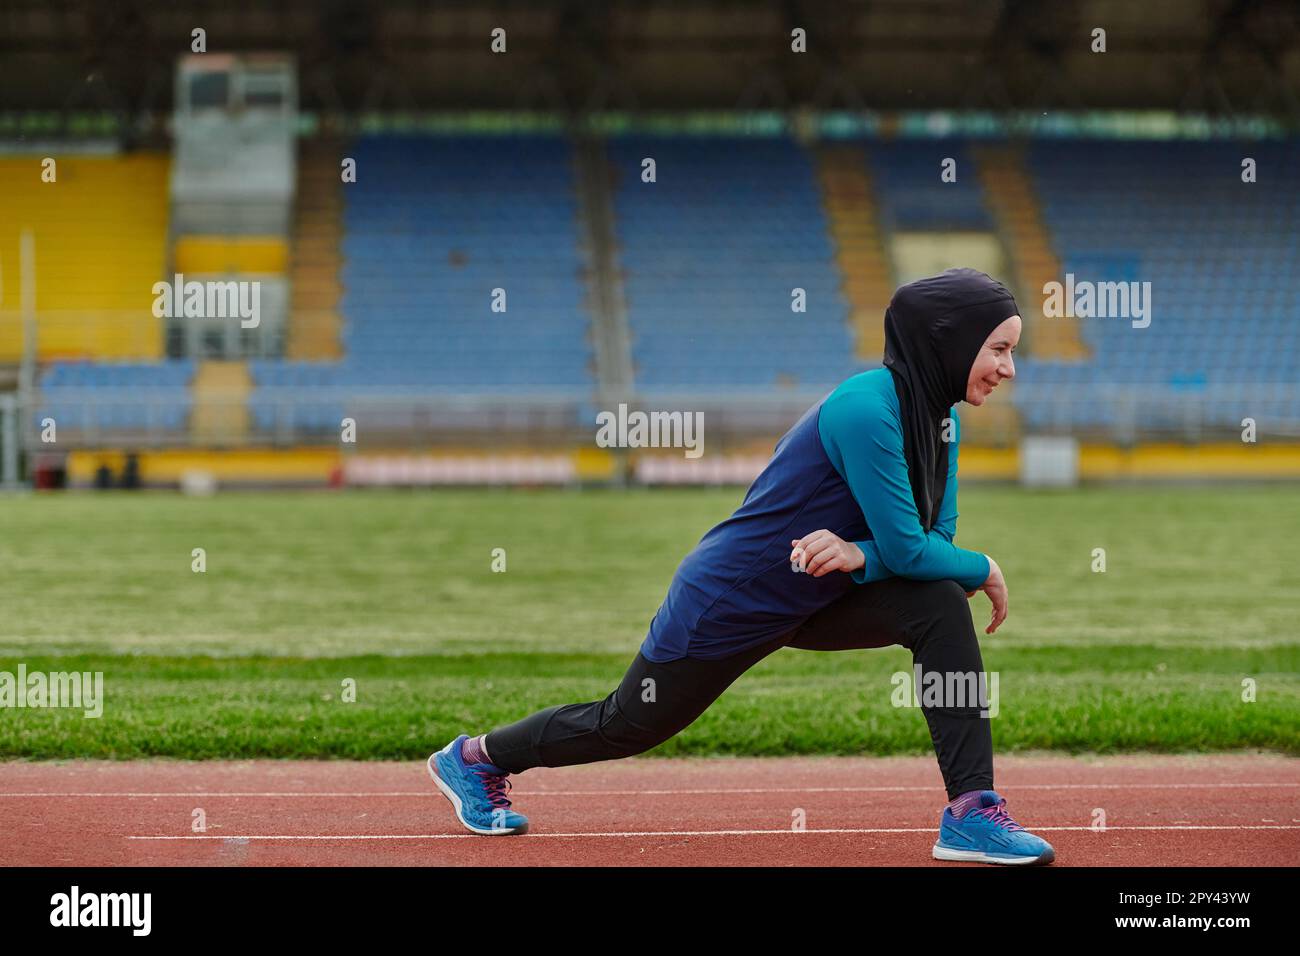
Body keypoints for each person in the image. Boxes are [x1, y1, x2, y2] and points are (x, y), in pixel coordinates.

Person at [429, 268, 1055, 865]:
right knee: (627, 724)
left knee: (939, 603)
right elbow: (916, 550)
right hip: (734, 599)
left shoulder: (941, 422)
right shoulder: (866, 409)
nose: (1009, 368)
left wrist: (863, 554)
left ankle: (972, 811)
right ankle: (476, 758)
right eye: (999, 350)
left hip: (821, 594)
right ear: (948, 342)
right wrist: (984, 566)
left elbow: (933, 541)